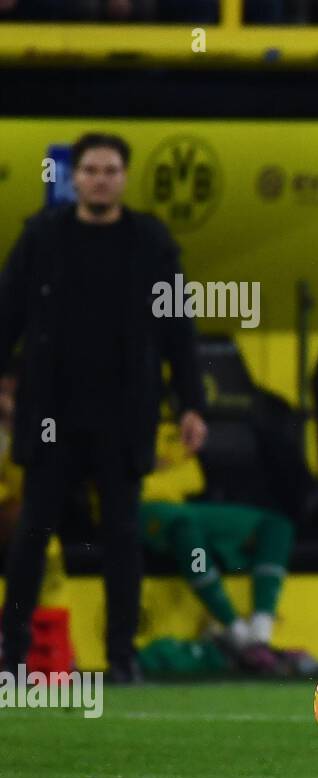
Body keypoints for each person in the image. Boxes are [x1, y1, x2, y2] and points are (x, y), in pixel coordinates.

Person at [0, 132, 207, 682]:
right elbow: (7, 316)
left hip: (124, 414)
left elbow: (177, 330)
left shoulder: (149, 241)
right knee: (32, 535)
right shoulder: (42, 236)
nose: (100, 178)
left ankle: (121, 657)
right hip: (51, 413)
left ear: (125, 176)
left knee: (122, 537)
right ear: (76, 177)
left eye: (110, 169)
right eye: (91, 169)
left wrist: (192, 403)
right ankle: (12, 655)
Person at [138, 416, 294, 674]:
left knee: (276, 525)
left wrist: (152, 470)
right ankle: (236, 632)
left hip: (178, 505)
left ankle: (260, 633)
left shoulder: (172, 426)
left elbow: (194, 477)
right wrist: (160, 471)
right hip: (140, 508)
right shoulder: (117, 420)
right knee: (184, 526)